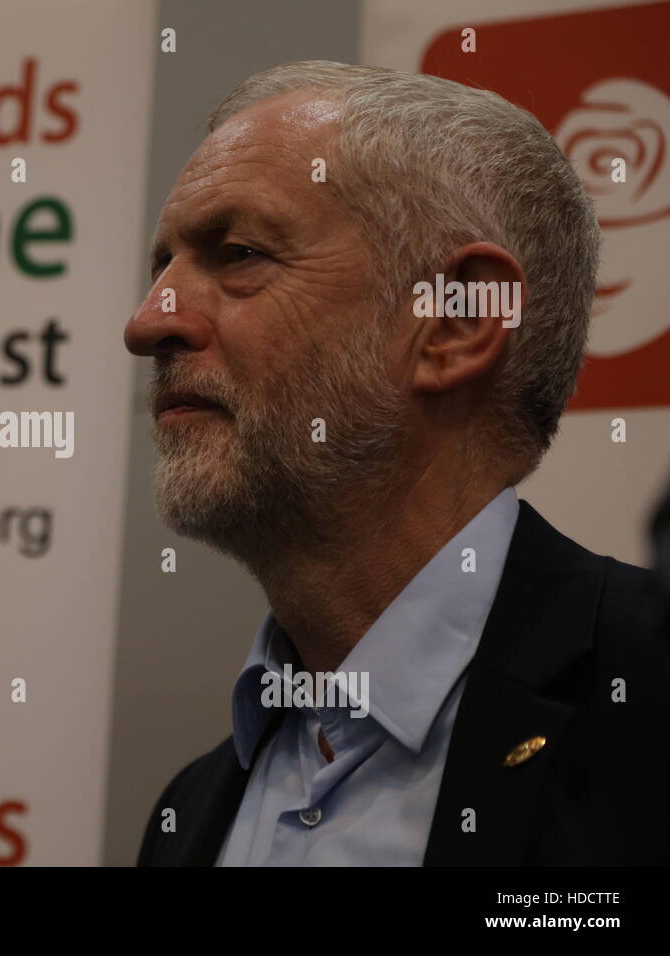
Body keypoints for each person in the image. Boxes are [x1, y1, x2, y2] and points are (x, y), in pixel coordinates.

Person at [126, 61, 670, 866]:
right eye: (161, 268)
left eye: (238, 253)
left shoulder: (650, 706)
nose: (147, 324)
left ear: (456, 322)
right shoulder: (186, 812)